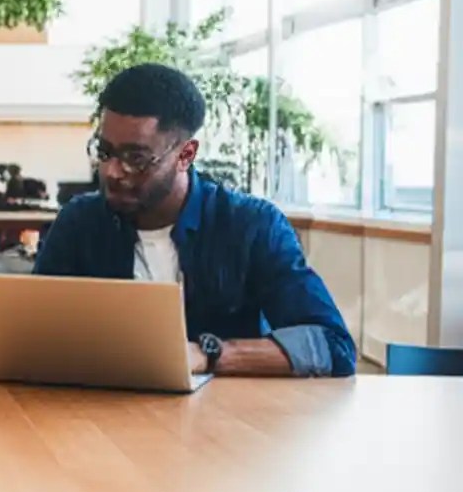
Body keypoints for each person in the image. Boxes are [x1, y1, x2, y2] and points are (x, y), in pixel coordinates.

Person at [33, 63, 356, 377]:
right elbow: (34, 333)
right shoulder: (80, 223)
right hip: (99, 417)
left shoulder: (251, 225)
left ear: (186, 155)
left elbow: (332, 346)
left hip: (224, 420)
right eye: (105, 152)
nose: (112, 172)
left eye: (136, 158)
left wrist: (208, 355)